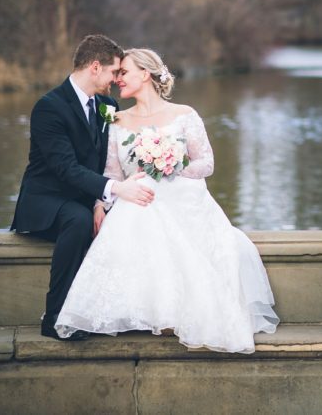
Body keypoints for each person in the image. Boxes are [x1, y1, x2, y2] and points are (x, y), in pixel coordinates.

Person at [55, 48, 278, 353]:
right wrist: (99, 205)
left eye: (125, 72)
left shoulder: (184, 115)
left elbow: (207, 164)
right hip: (137, 198)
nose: (118, 79)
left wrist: (172, 163)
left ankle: (182, 313)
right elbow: (111, 172)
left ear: (145, 74)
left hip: (182, 195)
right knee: (140, 206)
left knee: (159, 207)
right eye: (116, 73)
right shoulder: (116, 118)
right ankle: (147, 312)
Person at [12, 35, 155, 341]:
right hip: (46, 200)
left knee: (131, 222)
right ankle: (54, 317)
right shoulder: (49, 107)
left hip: (86, 198)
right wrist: (115, 189)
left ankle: (125, 313)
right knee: (76, 221)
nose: (117, 80)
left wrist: (101, 203)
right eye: (114, 72)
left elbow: (104, 159)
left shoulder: (107, 105)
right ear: (94, 67)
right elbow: (66, 168)